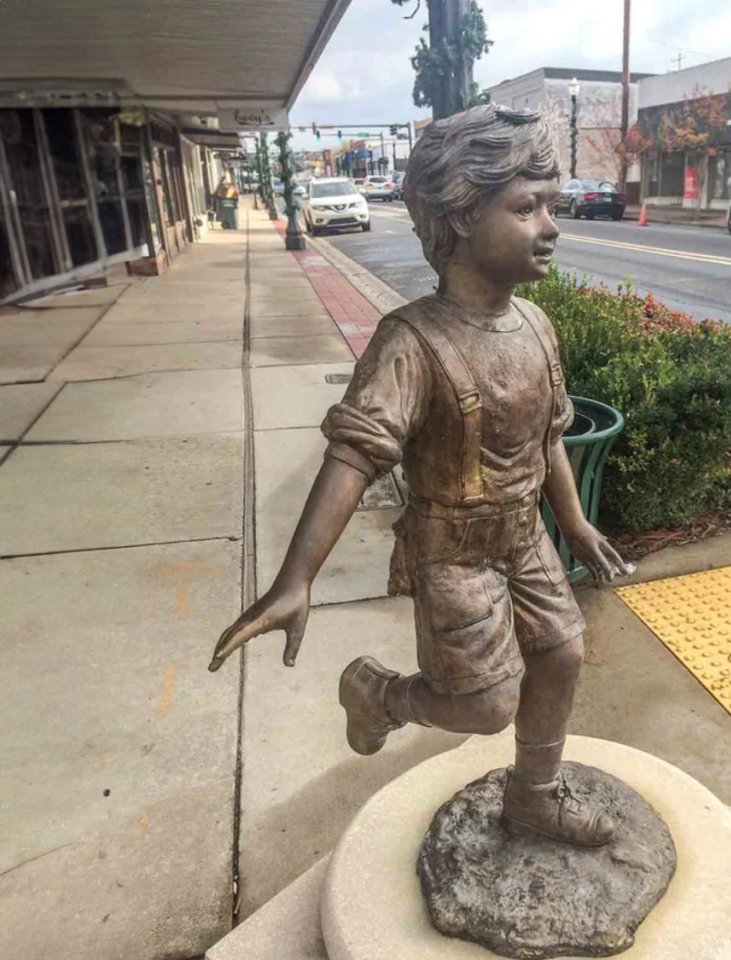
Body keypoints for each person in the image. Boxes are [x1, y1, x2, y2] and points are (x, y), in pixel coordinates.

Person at [209, 105, 630, 847]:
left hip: (523, 533)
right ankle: (381, 694)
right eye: (526, 207)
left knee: (562, 652)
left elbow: (551, 436)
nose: (550, 227)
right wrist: (295, 579)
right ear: (461, 217)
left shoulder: (536, 327)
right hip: (453, 549)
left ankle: (534, 794)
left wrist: (575, 523)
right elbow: (354, 453)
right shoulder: (410, 342)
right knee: (486, 705)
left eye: (551, 207)